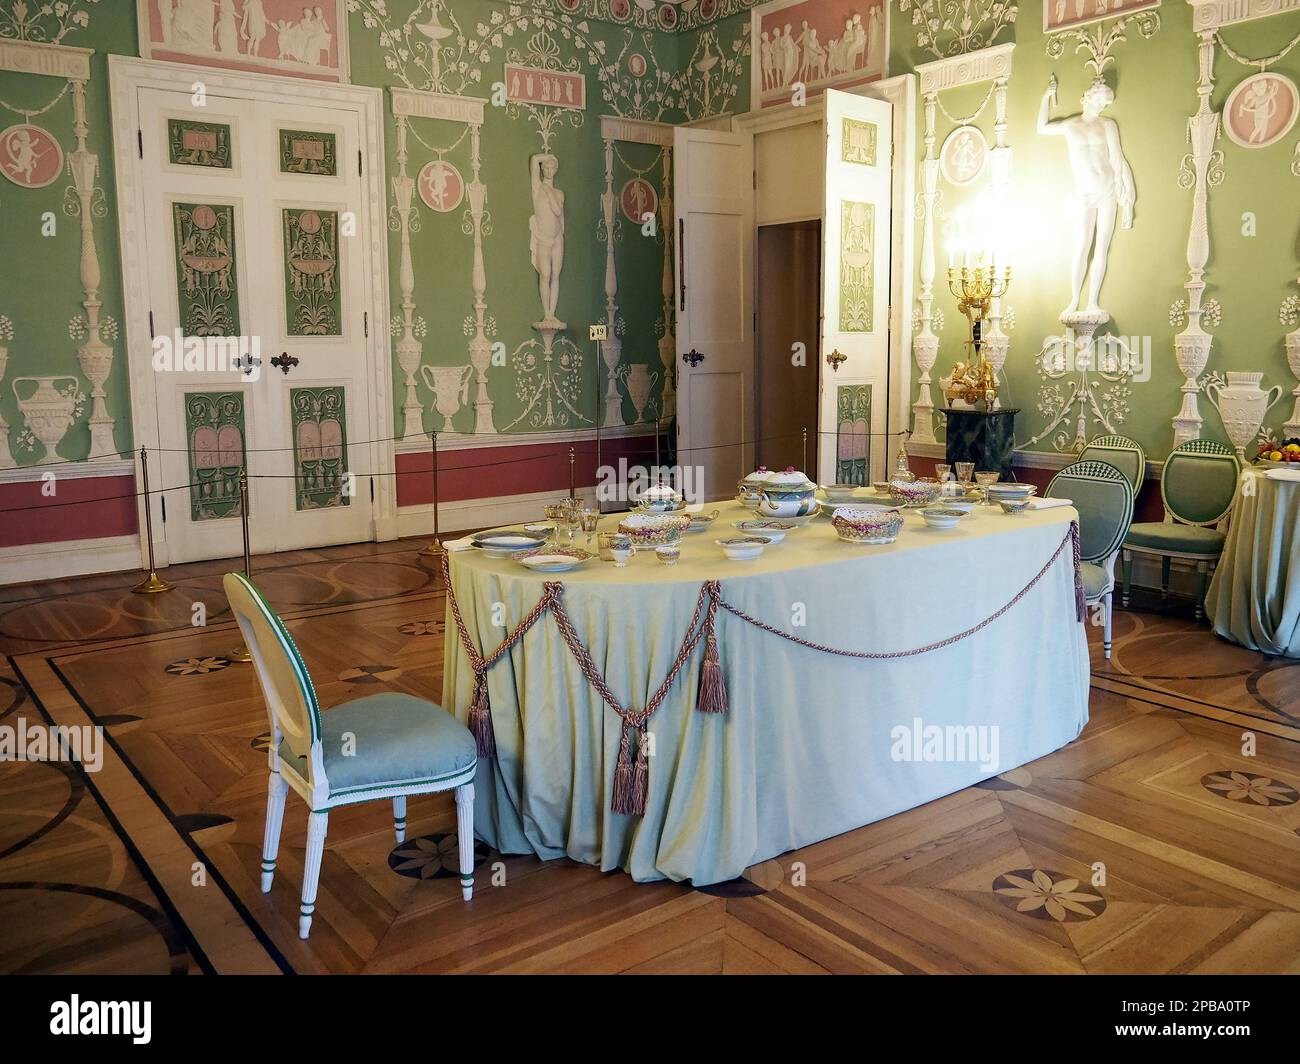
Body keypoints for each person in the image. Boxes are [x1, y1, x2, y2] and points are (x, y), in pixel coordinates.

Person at [1037, 75, 1135, 317]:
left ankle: (1092, 302)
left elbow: (1118, 159)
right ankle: (1073, 301)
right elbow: (1042, 128)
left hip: (1108, 190)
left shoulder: (1108, 125)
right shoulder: (1071, 126)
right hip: (1084, 193)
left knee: (1101, 248)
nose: (1101, 106)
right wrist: (1045, 98)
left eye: (1104, 103)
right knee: (1081, 246)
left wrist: (1128, 199)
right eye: (1099, 101)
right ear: (1089, 98)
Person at [529, 154, 566, 326]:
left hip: (557, 238)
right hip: (542, 237)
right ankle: (546, 314)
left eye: (552, 168)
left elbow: (560, 214)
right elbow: (534, 160)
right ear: (543, 169)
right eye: (547, 167)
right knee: (545, 274)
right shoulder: (537, 188)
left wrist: (562, 233)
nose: (550, 170)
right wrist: (549, 156)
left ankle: (552, 314)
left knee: (556, 275)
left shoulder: (558, 193)